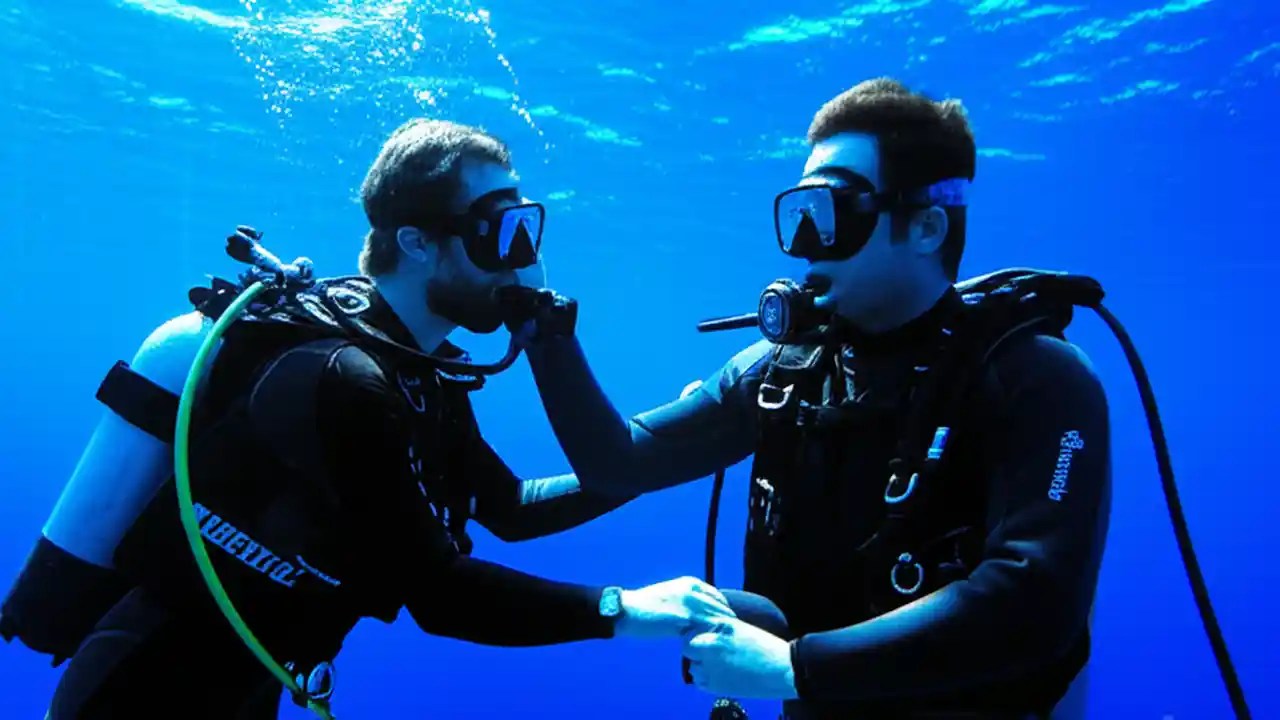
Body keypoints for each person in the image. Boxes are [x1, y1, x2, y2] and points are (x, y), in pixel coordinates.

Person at [0, 119, 736, 719]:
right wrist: (627, 608)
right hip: (143, 691)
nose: (522, 262)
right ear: (416, 242)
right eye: (497, 232)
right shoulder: (346, 379)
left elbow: (508, 509)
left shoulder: (419, 372)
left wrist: (665, 453)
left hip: (243, 684)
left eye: (525, 228)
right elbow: (440, 594)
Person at [521, 78, 1111, 719]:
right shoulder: (783, 374)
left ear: (926, 227)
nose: (803, 242)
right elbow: (616, 464)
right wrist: (542, 327)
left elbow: (1036, 602)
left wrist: (791, 668)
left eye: (831, 211)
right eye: (798, 212)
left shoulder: (1035, 379)